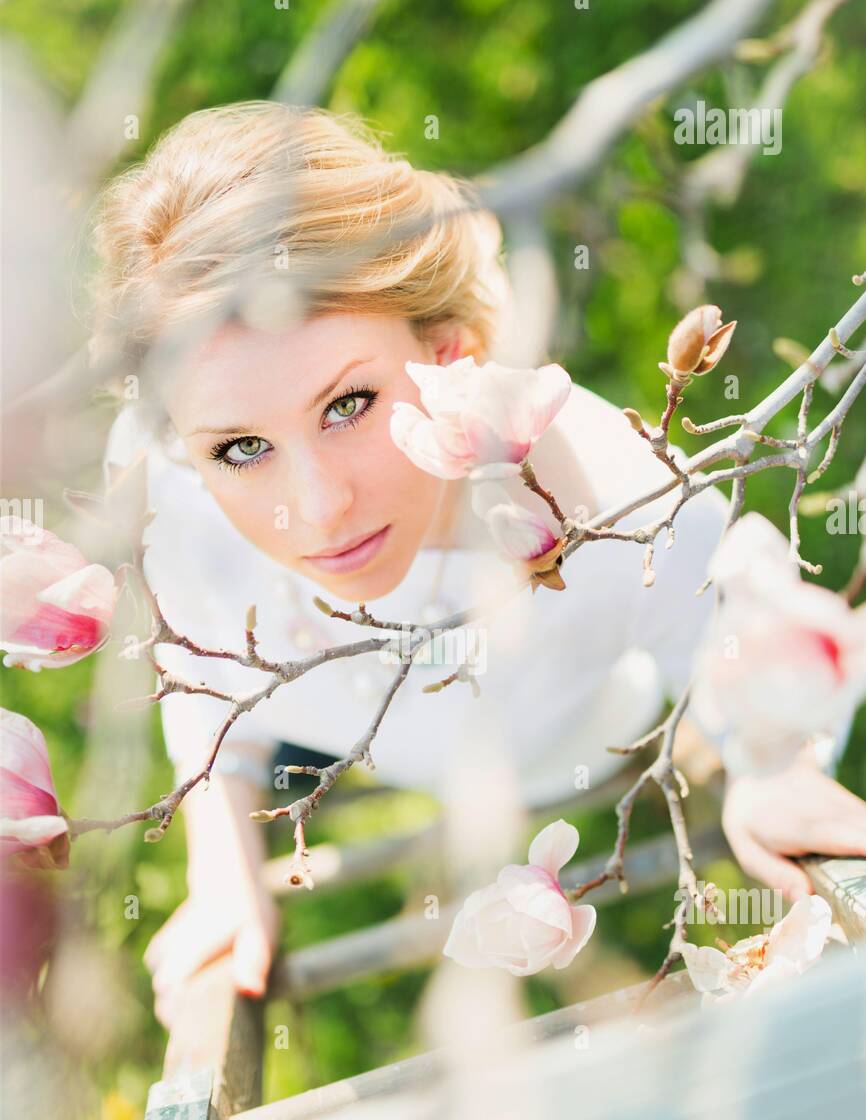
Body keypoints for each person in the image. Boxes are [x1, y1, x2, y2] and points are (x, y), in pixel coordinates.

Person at [88, 102, 866, 1025]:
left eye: (348, 404)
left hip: (576, 732)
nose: (321, 507)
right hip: (328, 711)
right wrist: (221, 863)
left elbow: (745, 625)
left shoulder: (600, 500)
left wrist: (768, 768)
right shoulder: (168, 505)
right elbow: (202, 672)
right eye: (240, 449)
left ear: (448, 353)